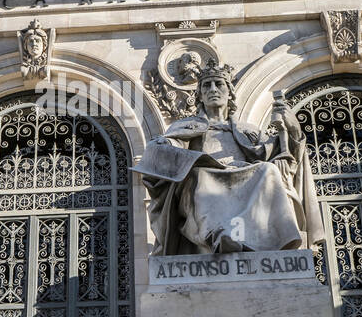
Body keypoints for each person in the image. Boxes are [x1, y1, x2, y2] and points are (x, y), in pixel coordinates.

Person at [136, 60, 324, 254]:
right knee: (199, 175)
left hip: (244, 174)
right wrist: (164, 144)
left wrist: (291, 130)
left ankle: (251, 237)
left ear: (229, 92)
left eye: (219, 84)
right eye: (207, 85)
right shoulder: (188, 126)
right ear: (199, 95)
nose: (213, 89)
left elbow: (285, 158)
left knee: (269, 170)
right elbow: (172, 147)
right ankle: (217, 236)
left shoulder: (248, 131)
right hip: (205, 177)